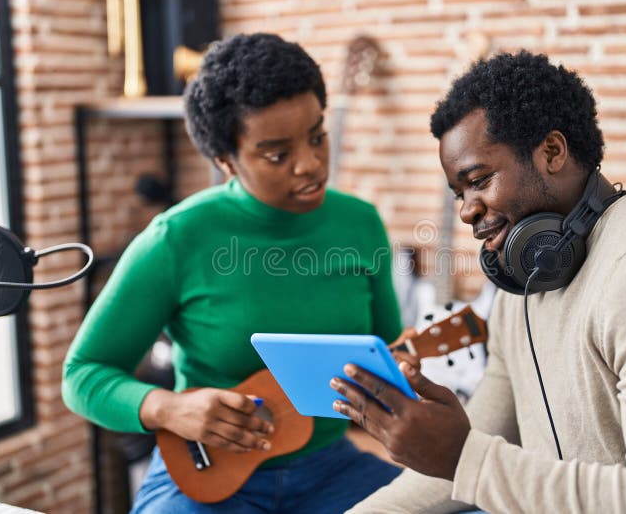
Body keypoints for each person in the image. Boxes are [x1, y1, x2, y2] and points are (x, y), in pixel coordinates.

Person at [333, 51, 626, 513]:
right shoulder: (524, 280)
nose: (466, 210)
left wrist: (463, 457)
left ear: (552, 152)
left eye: (479, 180)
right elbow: (486, 433)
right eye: (460, 193)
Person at [62, 33, 403, 513]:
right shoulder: (177, 237)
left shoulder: (360, 223)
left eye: (317, 136)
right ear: (226, 161)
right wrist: (170, 409)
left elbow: (390, 349)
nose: (310, 164)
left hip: (334, 469)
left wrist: (404, 374)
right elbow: (82, 374)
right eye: (277, 154)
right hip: (206, 475)